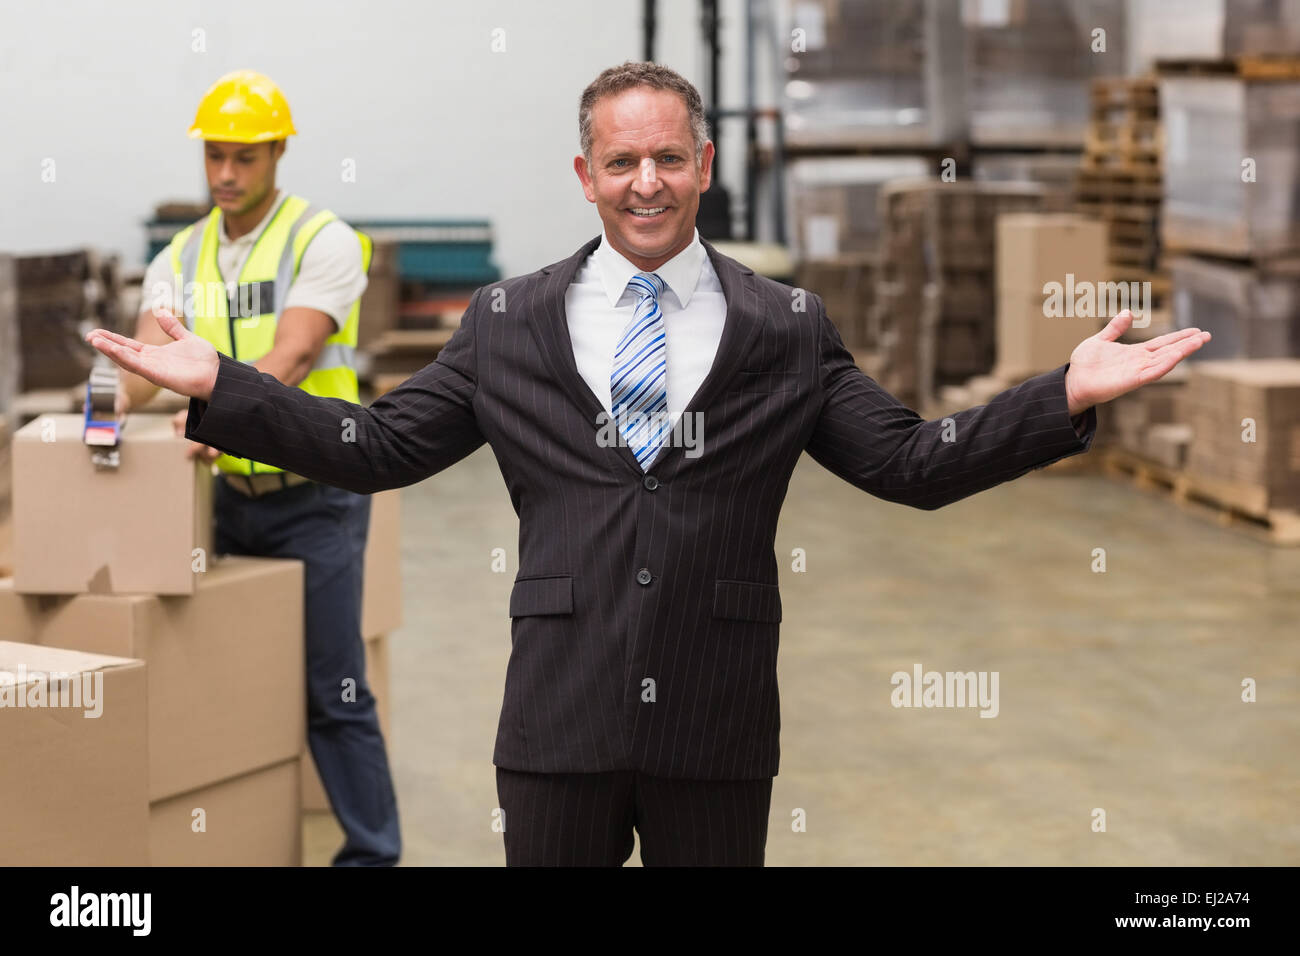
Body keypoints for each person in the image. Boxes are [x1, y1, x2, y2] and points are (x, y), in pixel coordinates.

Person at [89, 61, 1209, 867]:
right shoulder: (506, 322)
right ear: (584, 172)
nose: (645, 183)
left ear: (704, 165)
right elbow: (374, 447)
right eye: (620, 160)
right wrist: (219, 387)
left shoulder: (785, 326)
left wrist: (1059, 395)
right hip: (557, 720)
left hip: (714, 724)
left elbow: (909, 460)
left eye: (668, 157)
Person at [116, 69, 400, 866]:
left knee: (332, 691)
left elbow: (296, 351)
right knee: (226, 677)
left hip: (315, 497)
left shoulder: (325, 241)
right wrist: (101, 391)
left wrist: (222, 408)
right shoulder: (179, 253)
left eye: (244, 156)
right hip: (221, 502)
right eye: (214, 156)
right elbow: (146, 366)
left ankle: (373, 855)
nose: (225, 175)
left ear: (277, 152)